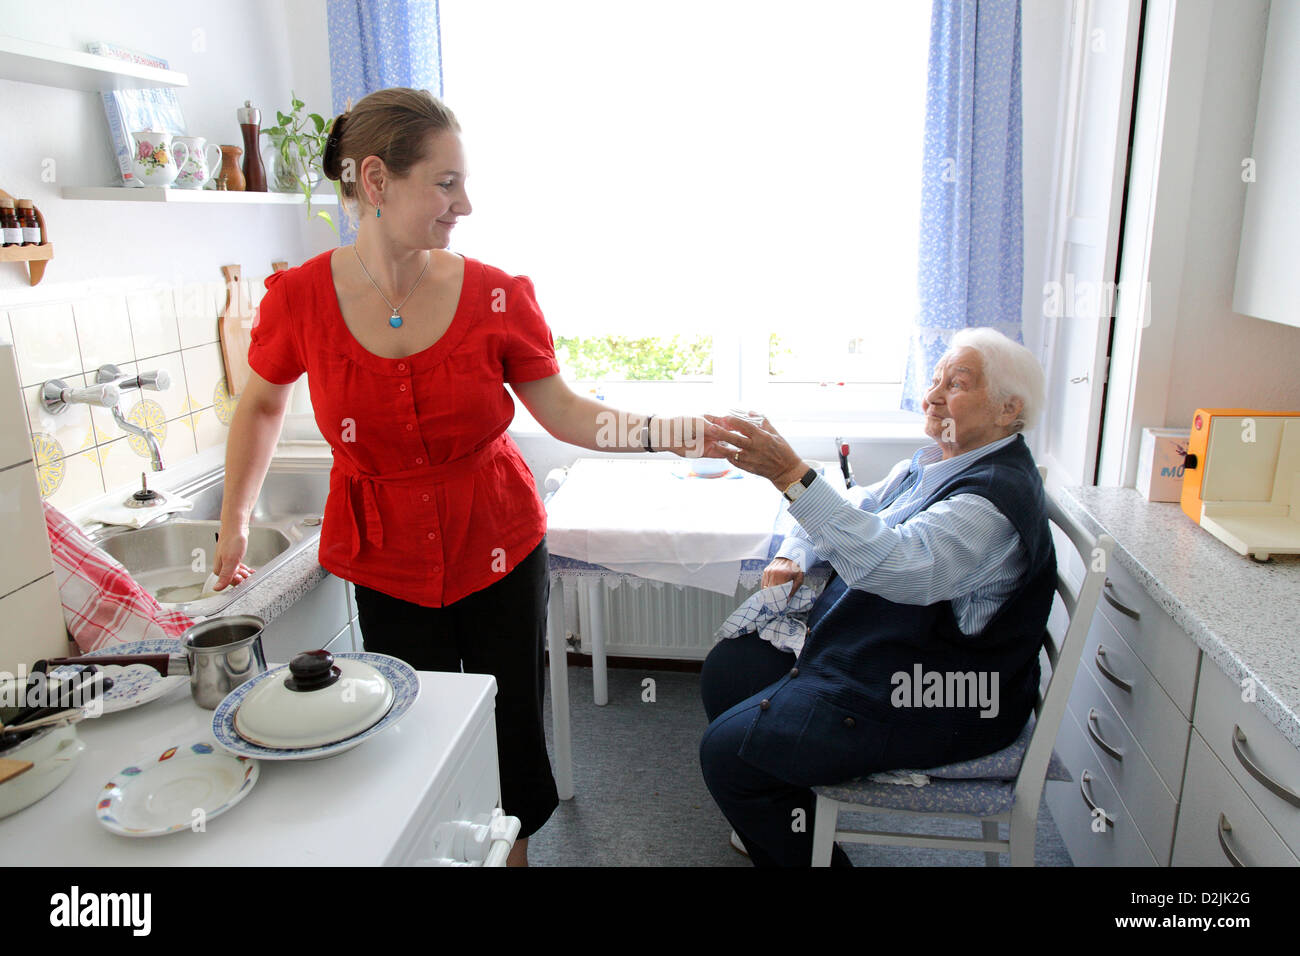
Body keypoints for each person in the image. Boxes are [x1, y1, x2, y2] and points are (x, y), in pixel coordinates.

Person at [212, 87, 726, 866]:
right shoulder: (300, 299)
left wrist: (673, 432)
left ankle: (511, 856)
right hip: (385, 556)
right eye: (446, 183)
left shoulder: (494, 295)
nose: (466, 204)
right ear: (377, 182)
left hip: (498, 542)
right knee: (410, 724)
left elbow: (566, 413)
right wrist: (233, 520)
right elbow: (258, 408)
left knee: (508, 718)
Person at [697, 327, 1056, 867]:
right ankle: (784, 821)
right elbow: (856, 505)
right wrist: (795, 550)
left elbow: (899, 565)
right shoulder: (937, 462)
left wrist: (791, 476)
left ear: (1010, 409)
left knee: (727, 758)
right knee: (730, 668)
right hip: (892, 656)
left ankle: (780, 819)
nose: (933, 396)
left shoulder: (989, 504)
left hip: (938, 695)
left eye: (955, 384)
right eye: (934, 380)